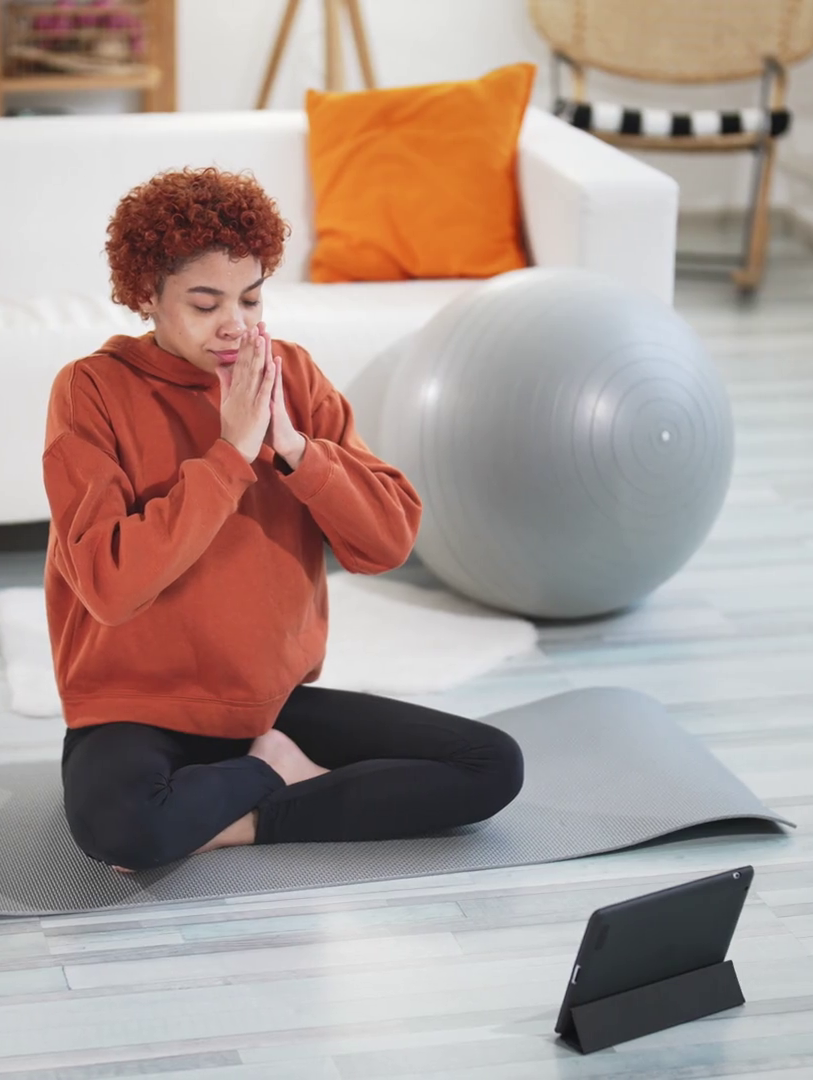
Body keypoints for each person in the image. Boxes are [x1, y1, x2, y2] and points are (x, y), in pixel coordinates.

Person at [42, 167, 525, 873]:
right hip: (134, 708)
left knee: (491, 766)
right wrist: (231, 453)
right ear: (148, 295)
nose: (235, 324)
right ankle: (280, 777)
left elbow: (387, 542)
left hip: (267, 709)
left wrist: (294, 449)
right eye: (205, 303)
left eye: (251, 298)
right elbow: (110, 584)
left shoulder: (290, 376)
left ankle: (247, 792)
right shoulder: (91, 391)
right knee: (122, 830)